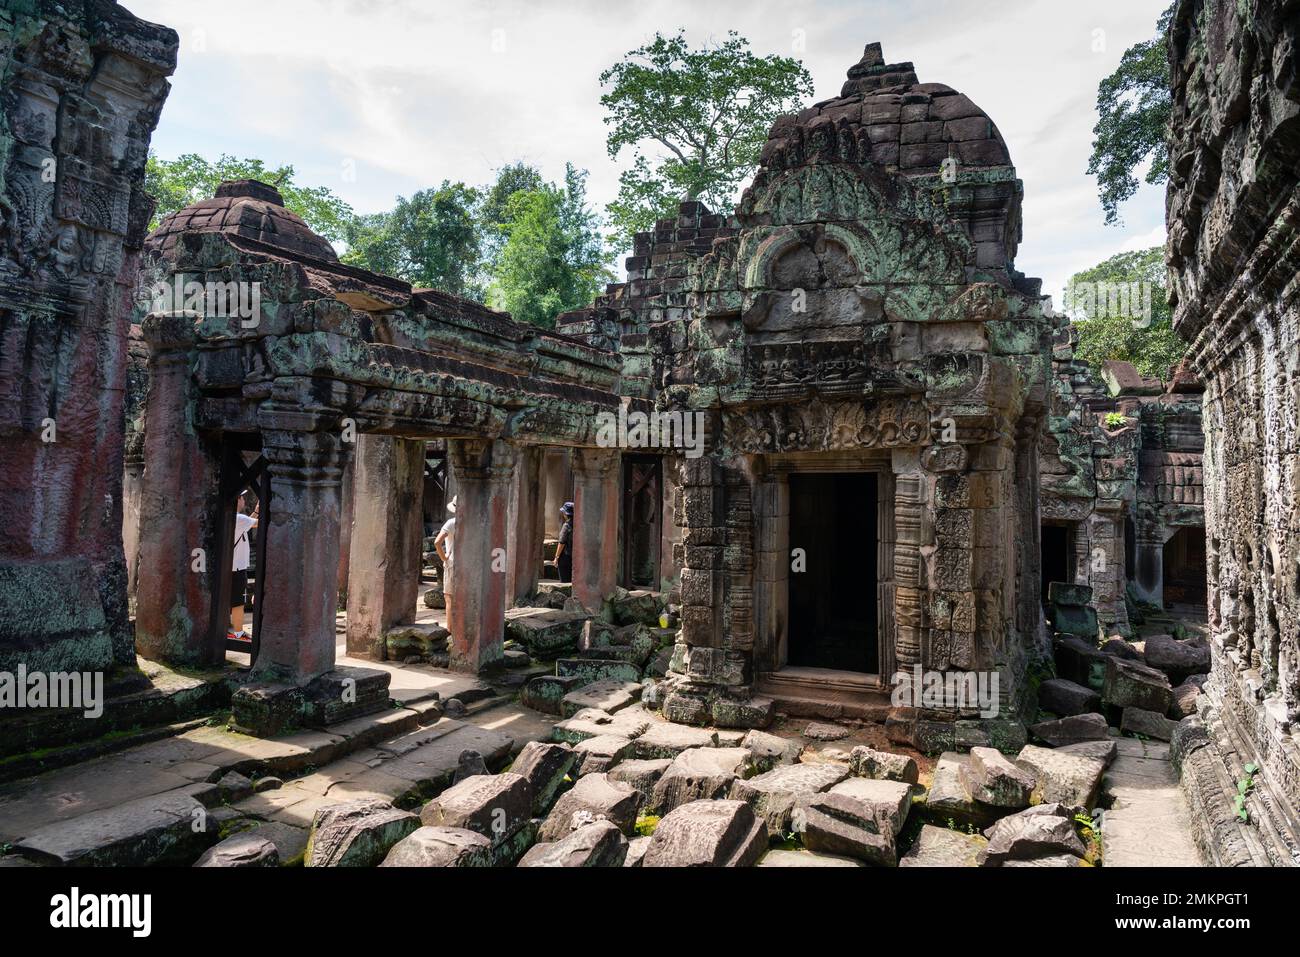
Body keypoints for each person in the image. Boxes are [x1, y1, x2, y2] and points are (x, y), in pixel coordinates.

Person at [229, 493, 259, 641]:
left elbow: (248, 524)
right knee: (238, 603)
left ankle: (231, 632)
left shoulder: (232, 518)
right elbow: (258, 523)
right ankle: (239, 633)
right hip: (237, 568)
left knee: (230, 601)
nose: (244, 500)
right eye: (241, 497)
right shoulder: (239, 519)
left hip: (230, 567)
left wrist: (256, 511)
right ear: (238, 500)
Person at [434, 496, 457, 623]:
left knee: (449, 598)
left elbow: (437, 542)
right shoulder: (473, 523)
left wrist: (444, 558)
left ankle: (450, 630)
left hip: (452, 563)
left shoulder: (452, 523)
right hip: (468, 564)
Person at [554, 501, 574, 584]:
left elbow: (561, 542)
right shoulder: (578, 524)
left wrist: (556, 557)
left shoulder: (566, 526)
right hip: (574, 557)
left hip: (565, 556)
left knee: (565, 582)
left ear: (566, 514)